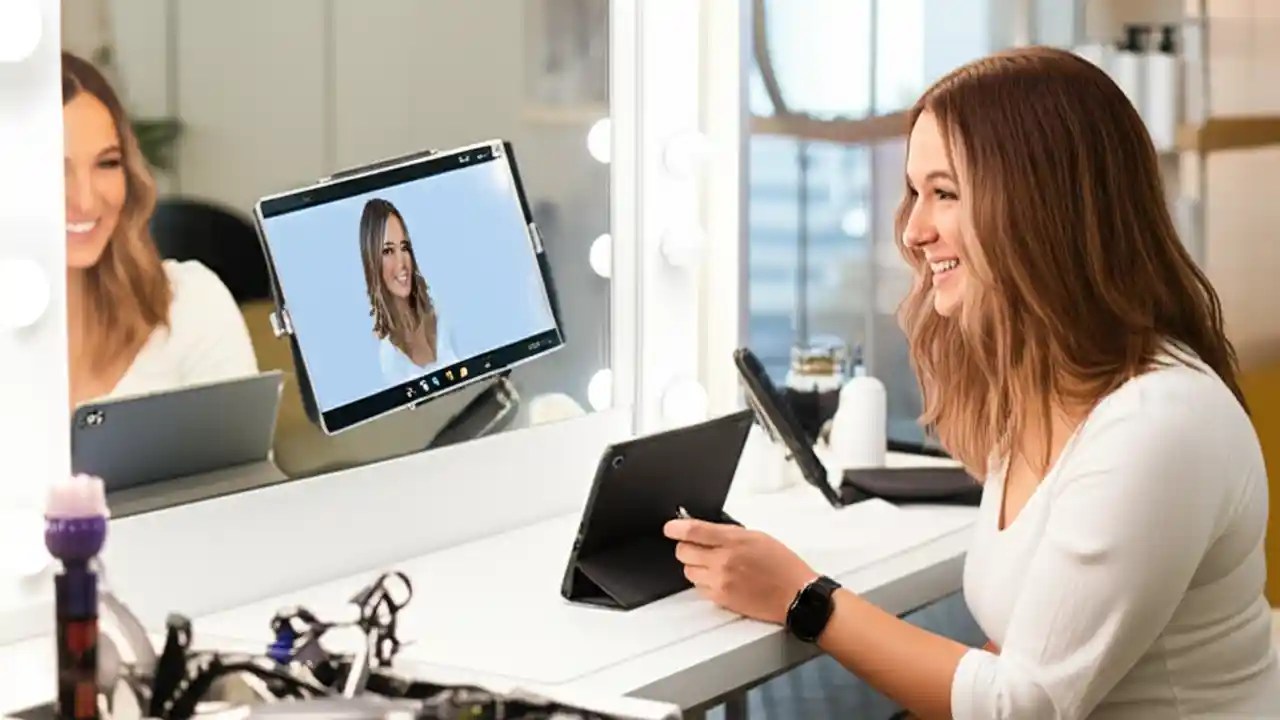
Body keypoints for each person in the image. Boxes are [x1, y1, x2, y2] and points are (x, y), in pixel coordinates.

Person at [665, 46, 1280, 719]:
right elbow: (1024, 647)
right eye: (915, 193)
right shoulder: (1046, 387)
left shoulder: (1157, 423)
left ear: (1042, 206)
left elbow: (1024, 704)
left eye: (946, 193)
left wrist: (802, 597)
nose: (915, 230)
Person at [62, 52, 257, 411]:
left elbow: (244, 465)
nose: (86, 201)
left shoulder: (191, 304)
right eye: (56, 169)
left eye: (107, 163)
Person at [359, 197, 460, 384]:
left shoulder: (440, 310)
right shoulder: (389, 357)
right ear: (373, 263)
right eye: (388, 251)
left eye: (404, 247)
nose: (401, 263)